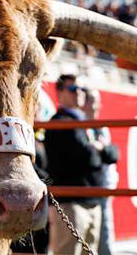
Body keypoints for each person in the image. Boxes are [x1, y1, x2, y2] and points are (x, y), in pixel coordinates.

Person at [45, 74, 118, 255]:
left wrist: (97, 149)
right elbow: (89, 157)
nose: (79, 93)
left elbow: (112, 154)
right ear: (60, 93)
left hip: (90, 200)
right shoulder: (60, 122)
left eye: (81, 89)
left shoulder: (81, 122)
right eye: (72, 89)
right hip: (71, 203)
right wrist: (100, 149)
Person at [83, 88, 118, 255]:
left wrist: (101, 149)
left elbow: (112, 155)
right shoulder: (80, 125)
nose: (95, 105)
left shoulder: (101, 128)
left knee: (104, 235)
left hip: (103, 187)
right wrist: (100, 149)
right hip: (86, 190)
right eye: (91, 99)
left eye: (96, 100)